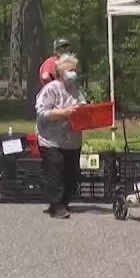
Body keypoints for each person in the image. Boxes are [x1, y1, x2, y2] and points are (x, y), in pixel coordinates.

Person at [35, 54, 86, 219]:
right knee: (55, 169)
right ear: (60, 72)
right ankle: (56, 206)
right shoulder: (51, 88)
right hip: (51, 139)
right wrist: (63, 113)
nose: (73, 73)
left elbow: (83, 106)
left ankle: (64, 202)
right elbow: (42, 111)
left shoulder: (76, 89)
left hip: (72, 139)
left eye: (74, 70)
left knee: (71, 172)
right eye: (70, 70)